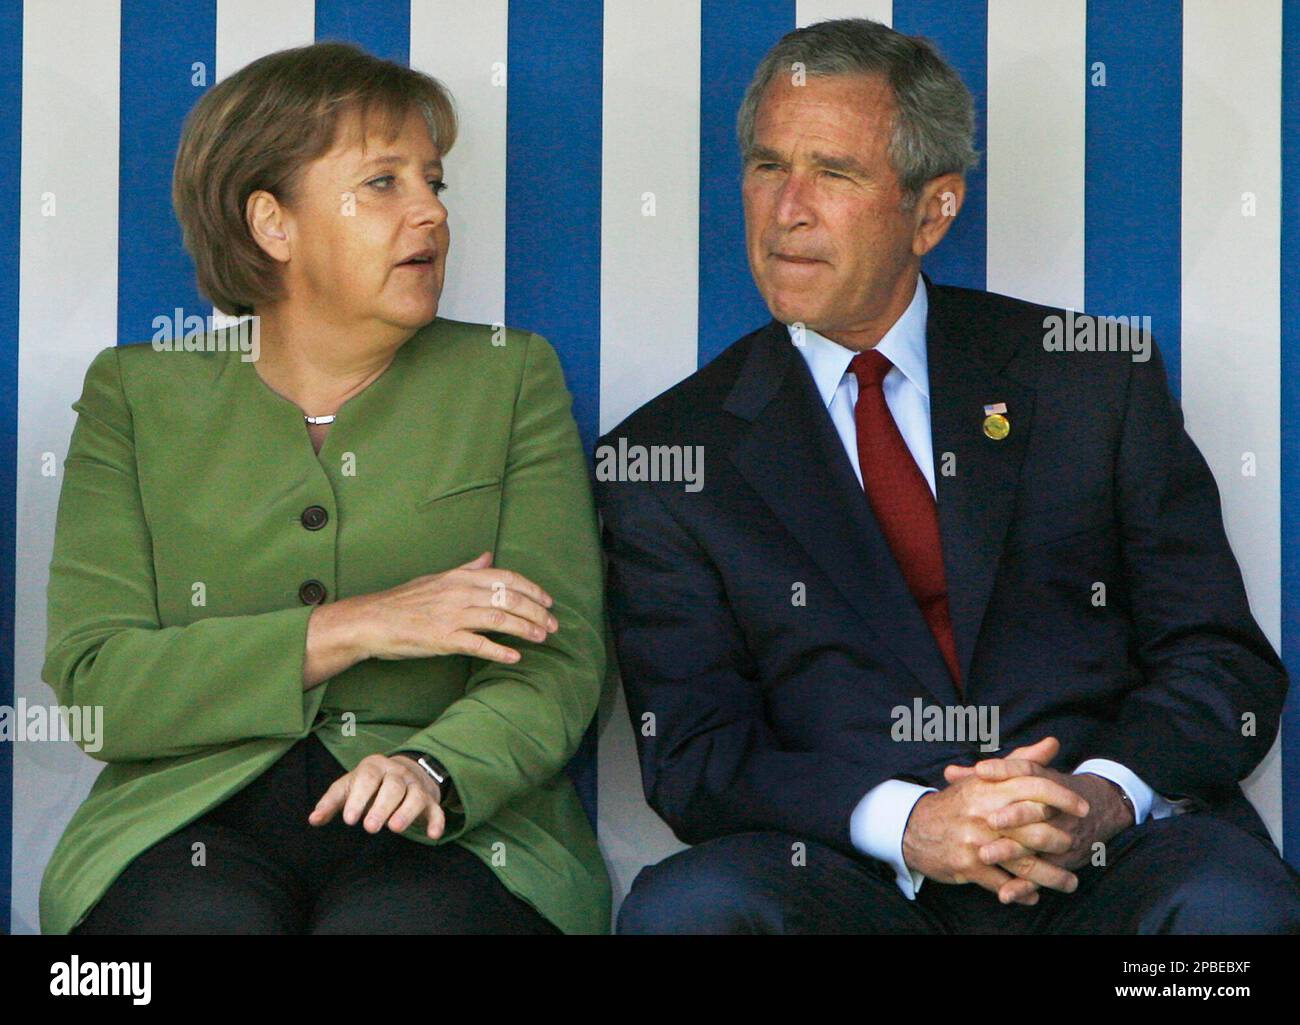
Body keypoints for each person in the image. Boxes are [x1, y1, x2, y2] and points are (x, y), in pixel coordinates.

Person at [599, 17, 1300, 934]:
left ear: (933, 211)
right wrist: (915, 823)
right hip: (854, 882)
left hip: (1108, 867)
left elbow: (1222, 665)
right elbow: (694, 754)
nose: (787, 210)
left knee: (1230, 913)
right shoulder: (667, 458)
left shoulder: (1090, 375)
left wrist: (1097, 797)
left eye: (834, 173)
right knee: (688, 915)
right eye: (769, 166)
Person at [40, 41, 609, 935]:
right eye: (383, 183)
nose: (429, 213)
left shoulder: (509, 378)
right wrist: (356, 624)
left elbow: (556, 662)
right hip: (185, 823)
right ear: (272, 223)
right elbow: (100, 687)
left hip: (450, 822)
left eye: (435, 183)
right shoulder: (135, 395)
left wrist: (434, 768)